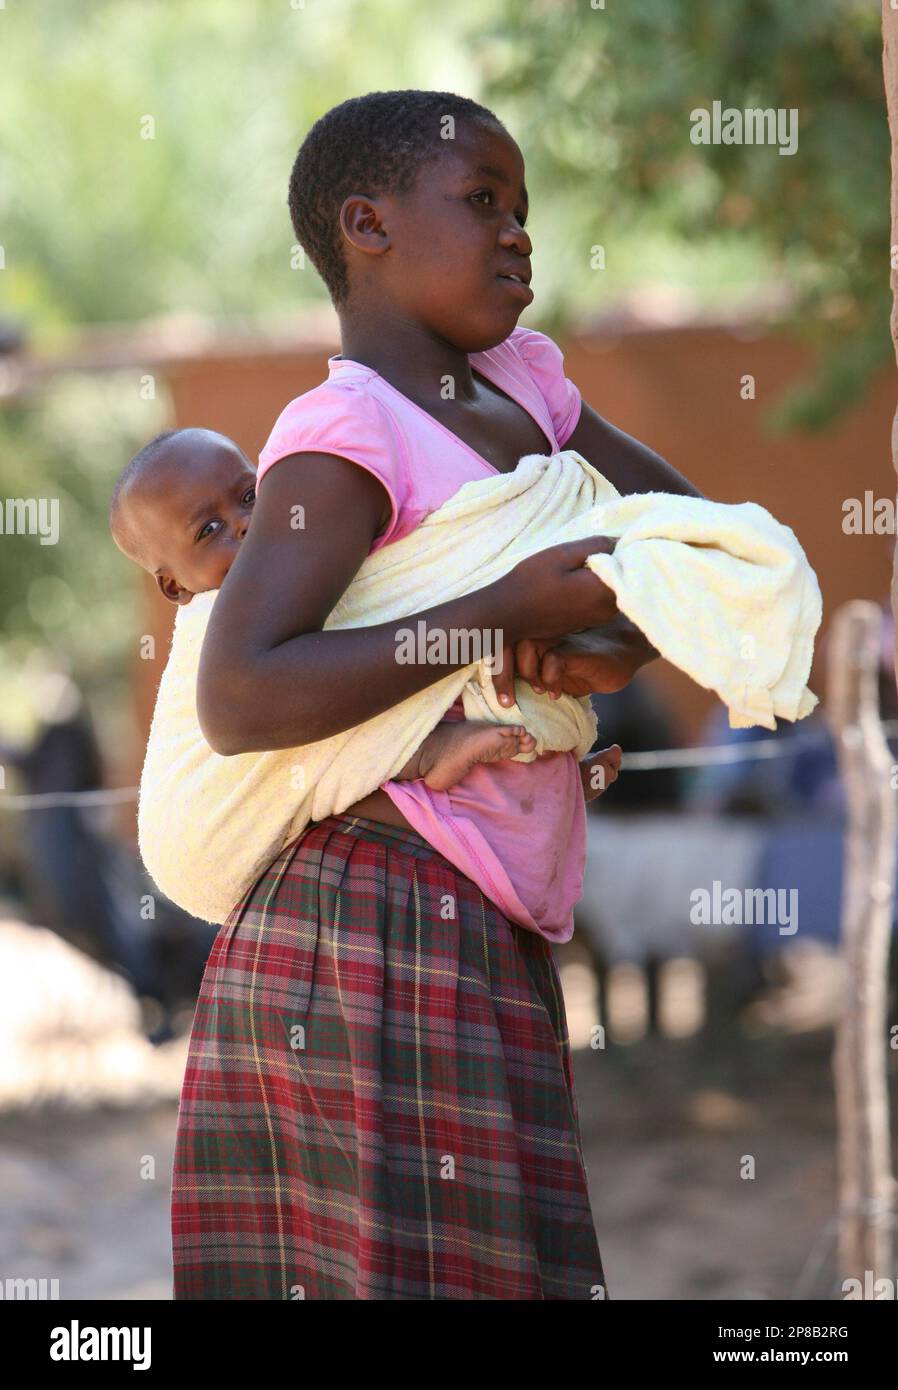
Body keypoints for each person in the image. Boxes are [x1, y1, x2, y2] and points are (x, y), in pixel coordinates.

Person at [165, 90, 702, 1301]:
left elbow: (686, 546)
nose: (518, 232)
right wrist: (507, 610)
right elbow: (242, 692)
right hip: (371, 927)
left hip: (477, 924)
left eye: (522, 209)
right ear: (366, 224)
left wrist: (620, 647)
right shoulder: (346, 429)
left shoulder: (525, 392)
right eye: (481, 202)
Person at [110, 427, 622, 793]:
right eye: (208, 530)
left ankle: (542, 781)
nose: (244, 523)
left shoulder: (303, 565)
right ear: (174, 586)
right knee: (321, 721)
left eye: (249, 495)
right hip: (309, 769)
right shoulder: (214, 628)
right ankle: (439, 758)